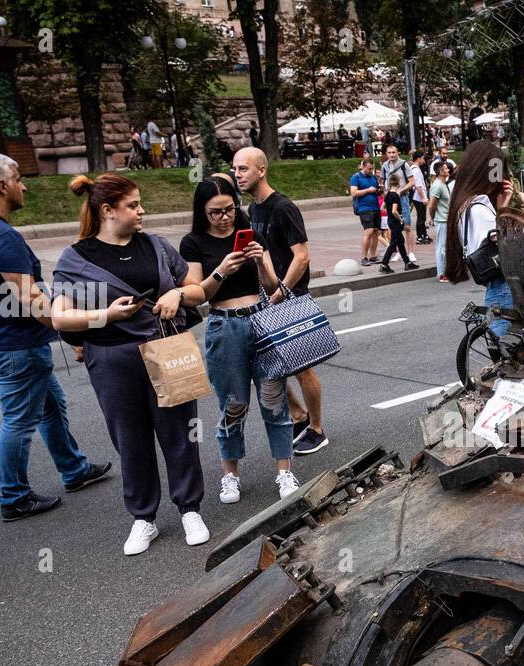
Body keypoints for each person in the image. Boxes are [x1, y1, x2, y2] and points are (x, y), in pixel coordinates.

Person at [48, 175, 210, 554]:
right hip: (111, 358)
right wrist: (105, 315)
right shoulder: (76, 257)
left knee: (180, 433)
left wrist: (177, 292)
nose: (142, 211)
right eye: (133, 205)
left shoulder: (155, 245)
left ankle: (190, 508)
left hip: (164, 347)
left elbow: (198, 289)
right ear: (107, 211)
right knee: (129, 439)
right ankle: (144, 518)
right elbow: (59, 318)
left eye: (140, 204)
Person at [0, 153, 111, 521]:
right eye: (19, 178)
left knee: (50, 406)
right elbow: (29, 297)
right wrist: (69, 329)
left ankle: (74, 469)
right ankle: (13, 496)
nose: (24, 186)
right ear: (2, 185)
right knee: (19, 420)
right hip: (16, 344)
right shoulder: (0, 233)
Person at [175, 175, 301, 511]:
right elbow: (196, 295)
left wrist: (260, 260)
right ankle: (230, 473)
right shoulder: (192, 243)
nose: (224, 217)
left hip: (261, 320)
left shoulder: (251, 235)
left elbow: (273, 284)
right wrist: (220, 271)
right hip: (224, 327)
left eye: (229, 209)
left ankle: (285, 471)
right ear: (202, 211)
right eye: (215, 212)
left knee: (274, 401)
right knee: (233, 404)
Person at [233, 147, 328, 456]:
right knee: (269, 366)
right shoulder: (253, 210)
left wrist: (282, 291)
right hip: (271, 296)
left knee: (303, 368)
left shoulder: (283, 207)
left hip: (292, 295)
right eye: (235, 169)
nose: (238, 174)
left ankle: (316, 429)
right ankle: (299, 416)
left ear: (262, 170)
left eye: (244, 168)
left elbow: (302, 257)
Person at [444, 141, 516, 335]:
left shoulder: (466, 204)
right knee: (509, 356)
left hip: (495, 288)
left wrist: (500, 207)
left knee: (505, 352)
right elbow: (507, 246)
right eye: (496, 171)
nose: (499, 178)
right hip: (504, 288)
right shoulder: (479, 210)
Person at [379, 145, 415, 263]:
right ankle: (400, 252)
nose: (392, 155)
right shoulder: (385, 166)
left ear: (397, 153)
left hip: (403, 197)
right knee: (394, 227)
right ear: (386, 153)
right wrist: (385, 199)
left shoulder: (404, 165)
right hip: (391, 197)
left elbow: (411, 182)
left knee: (407, 226)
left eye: (394, 152)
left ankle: (410, 252)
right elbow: (383, 183)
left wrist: (401, 191)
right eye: (389, 152)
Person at [379, 171, 419, 274]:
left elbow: (382, 207)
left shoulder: (387, 194)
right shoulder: (396, 196)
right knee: (394, 243)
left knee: (400, 241)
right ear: (399, 183)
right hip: (396, 221)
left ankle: (407, 262)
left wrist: (390, 214)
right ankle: (384, 264)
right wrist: (400, 219)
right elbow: (394, 210)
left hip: (390, 221)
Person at [350, 155, 380, 266]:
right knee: (369, 231)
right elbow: (354, 192)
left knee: (376, 231)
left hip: (375, 206)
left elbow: (376, 190)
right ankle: (364, 257)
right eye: (369, 169)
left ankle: (373, 256)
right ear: (363, 166)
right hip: (364, 208)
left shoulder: (373, 177)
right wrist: (368, 190)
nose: (371, 171)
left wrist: (379, 190)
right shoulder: (356, 177)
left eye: (372, 168)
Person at [427, 159, 454, 280]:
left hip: (446, 219)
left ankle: (447, 270)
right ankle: (441, 273)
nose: (448, 169)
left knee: (446, 247)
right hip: (442, 220)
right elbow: (432, 205)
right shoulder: (437, 185)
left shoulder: (443, 184)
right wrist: (432, 218)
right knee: (441, 247)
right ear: (441, 171)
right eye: (446, 168)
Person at [410, 150, 430, 245]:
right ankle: (420, 236)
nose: (423, 160)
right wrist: (423, 198)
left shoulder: (414, 169)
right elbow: (418, 186)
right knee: (421, 217)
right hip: (418, 197)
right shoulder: (416, 170)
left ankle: (424, 234)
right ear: (418, 159)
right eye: (422, 158)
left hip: (418, 196)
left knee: (422, 216)